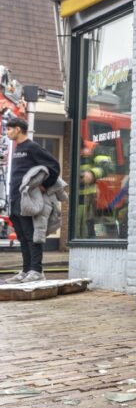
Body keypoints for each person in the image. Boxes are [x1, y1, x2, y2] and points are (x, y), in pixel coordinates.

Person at [4, 118, 60, 284]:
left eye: (9, 129)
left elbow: (54, 166)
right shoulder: (17, 148)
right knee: (22, 236)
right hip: (15, 199)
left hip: (27, 201)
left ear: (19, 129)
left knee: (31, 235)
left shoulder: (32, 147)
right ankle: (26, 269)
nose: (7, 132)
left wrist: (44, 186)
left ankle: (37, 270)